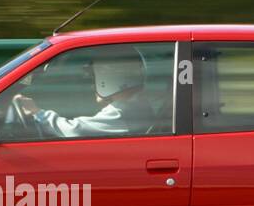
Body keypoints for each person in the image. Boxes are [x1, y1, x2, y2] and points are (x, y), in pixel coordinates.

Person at [12, 48, 158, 138]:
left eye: (94, 77)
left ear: (109, 77)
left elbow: (76, 131)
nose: (92, 84)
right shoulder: (136, 104)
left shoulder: (125, 111)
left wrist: (37, 113)